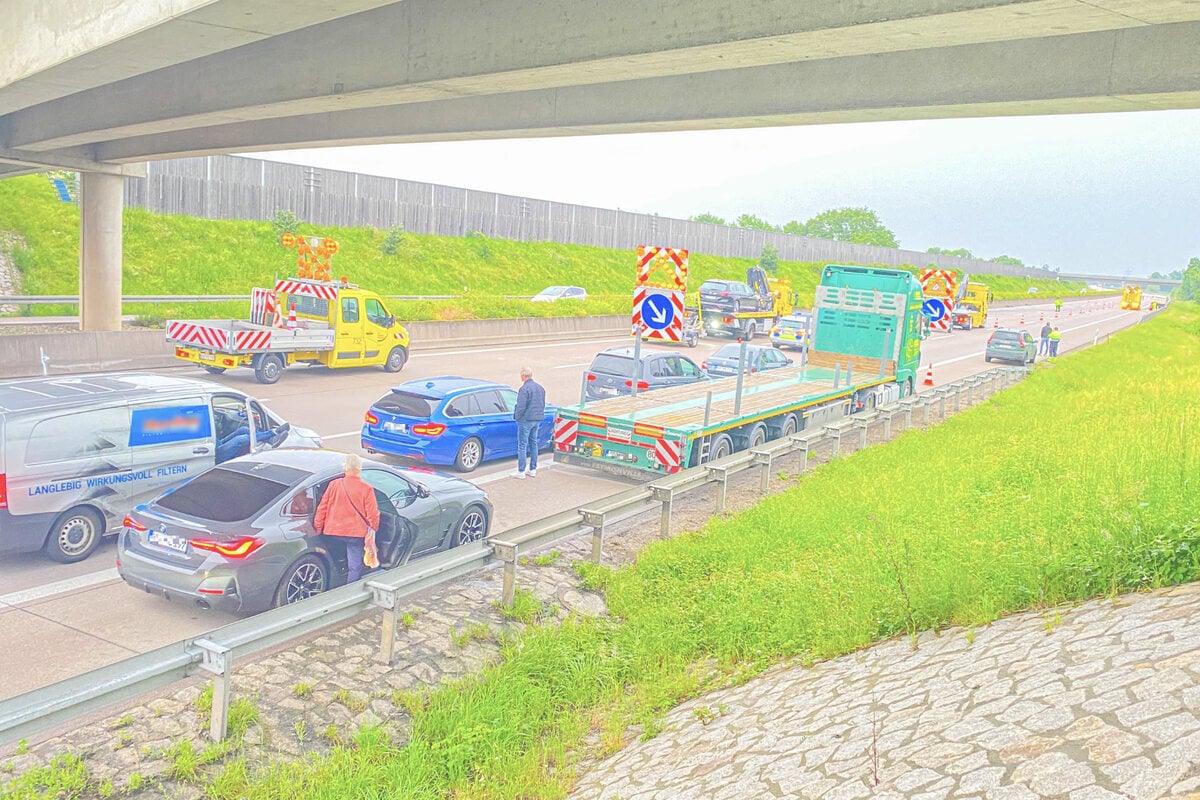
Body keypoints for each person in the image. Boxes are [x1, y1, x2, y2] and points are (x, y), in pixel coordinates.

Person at [313, 453, 380, 583]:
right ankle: (351, 587)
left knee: (334, 554)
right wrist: (373, 529)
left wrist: (318, 528)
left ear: (345, 467)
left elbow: (322, 508)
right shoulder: (366, 489)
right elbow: (373, 515)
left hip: (332, 532)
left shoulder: (334, 484)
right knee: (354, 565)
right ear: (359, 468)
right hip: (355, 535)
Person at [511, 366, 547, 479]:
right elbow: (542, 404)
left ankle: (521, 471)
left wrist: (517, 417)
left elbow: (521, 407)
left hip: (525, 420)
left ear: (523, 376)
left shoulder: (524, 389)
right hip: (537, 419)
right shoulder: (540, 388)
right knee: (533, 443)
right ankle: (532, 469)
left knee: (522, 445)